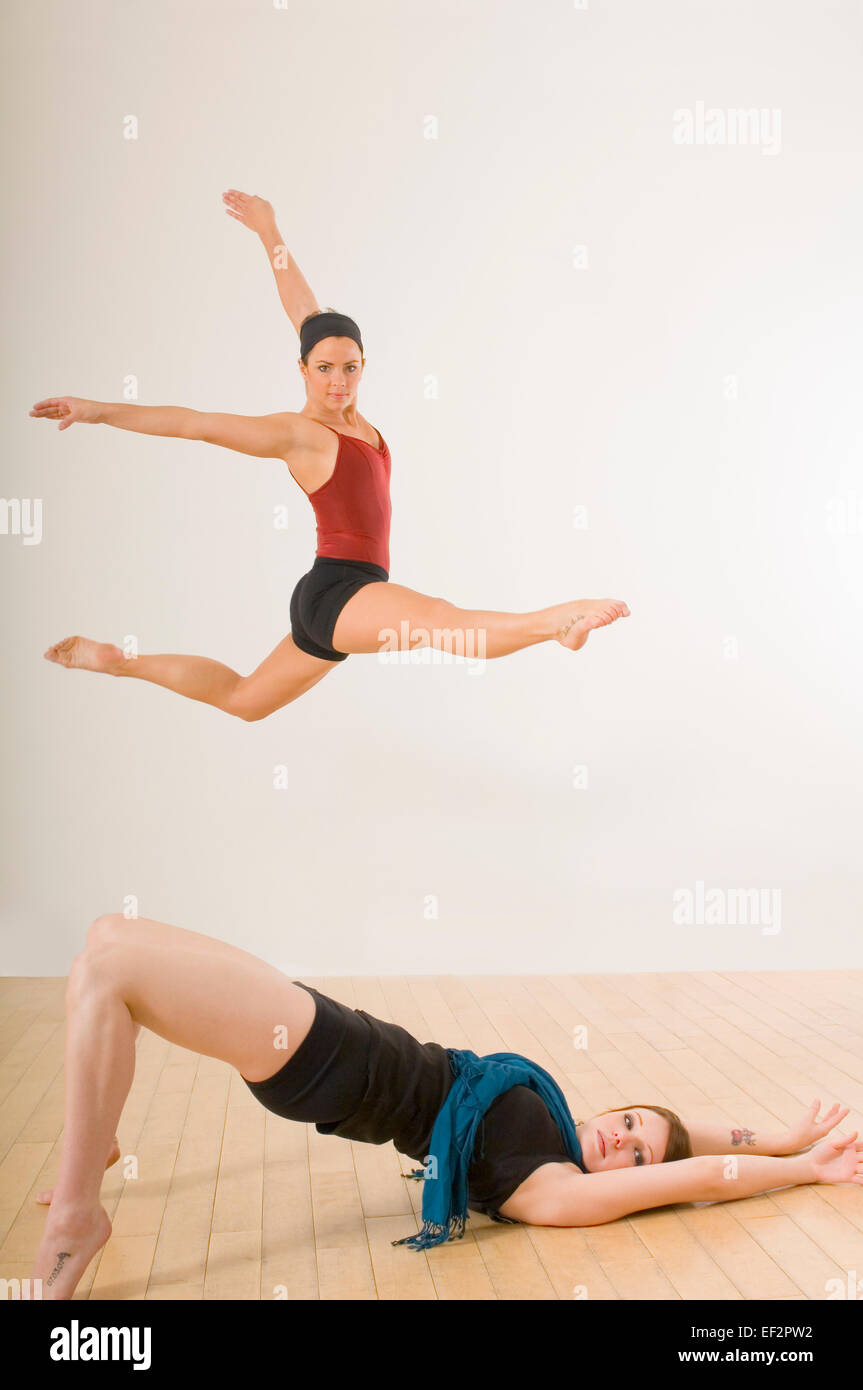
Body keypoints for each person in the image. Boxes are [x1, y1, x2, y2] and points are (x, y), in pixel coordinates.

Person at [30, 912, 861, 1298]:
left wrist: (800, 1177)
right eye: (628, 1122)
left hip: (321, 1061)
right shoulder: (564, 1120)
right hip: (337, 1026)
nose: (621, 1141)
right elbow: (690, 1137)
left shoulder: (546, 1186)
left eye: (634, 1157)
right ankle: (96, 1143)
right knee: (104, 938)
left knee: (112, 976)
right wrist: (786, 1137)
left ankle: (76, 1215)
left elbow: (697, 1175)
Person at [31, 190, 629, 722]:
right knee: (441, 622)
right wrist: (98, 409)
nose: (337, 382)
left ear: (361, 362)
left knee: (244, 701)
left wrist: (269, 230)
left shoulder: (339, 380)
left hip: (340, 596)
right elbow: (196, 424)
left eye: (349, 367)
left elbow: (302, 307)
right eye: (323, 370)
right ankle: (560, 622)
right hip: (339, 595)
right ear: (303, 370)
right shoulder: (302, 434)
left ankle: (115, 661)